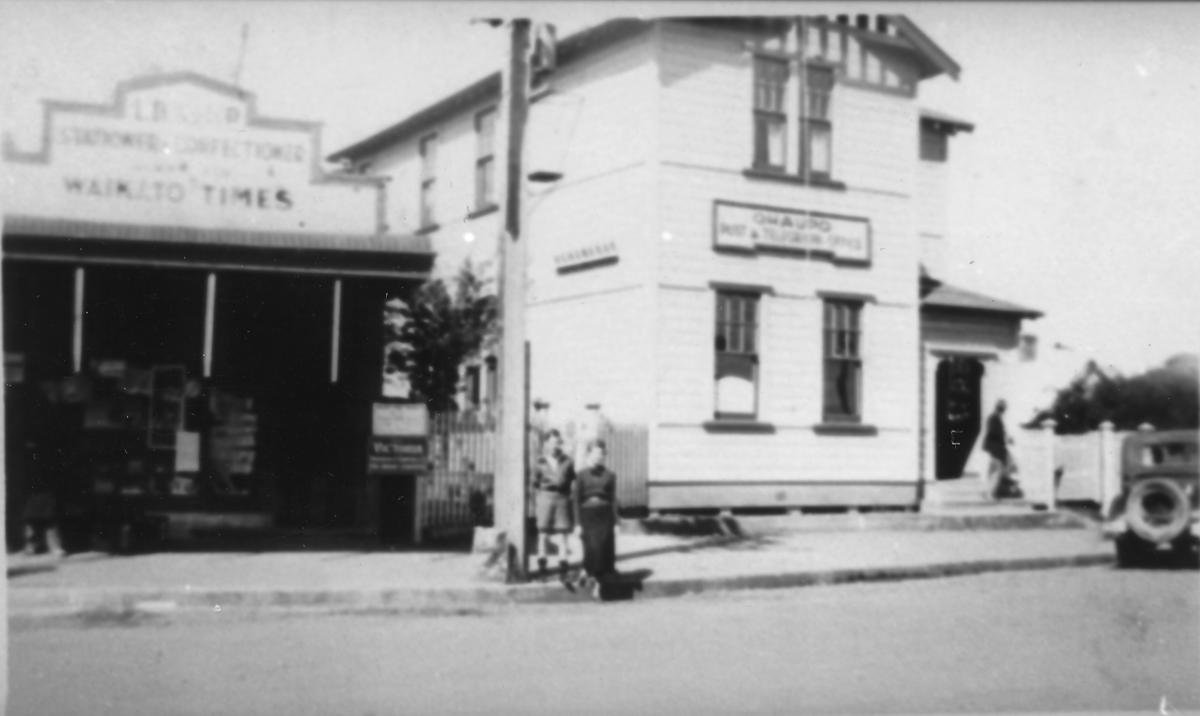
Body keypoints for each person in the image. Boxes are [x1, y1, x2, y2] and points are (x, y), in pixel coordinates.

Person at [572, 438, 618, 598]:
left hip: (604, 516)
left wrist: (616, 523)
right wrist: (577, 523)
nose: (598, 457)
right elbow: (576, 501)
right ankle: (591, 576)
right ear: (589, 454)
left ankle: (595, 580)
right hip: (587, 516)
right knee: (592, 547)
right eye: (595, 453)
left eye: (601, 454)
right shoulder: (581, 476)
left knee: (602, 549)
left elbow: (613, 500)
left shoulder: (610, 475)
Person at [531, 429, 575, 581]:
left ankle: (563, 564)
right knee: (543, 532)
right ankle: (542, 563)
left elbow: (571, 480)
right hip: (545, 497)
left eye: (557, 442)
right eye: (551, 442)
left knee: (563, 532)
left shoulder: (567, 461)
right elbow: (535, 483)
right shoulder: (539, 462)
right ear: (546, 443)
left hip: (562, 498)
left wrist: (568, 496)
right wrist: (539, 499)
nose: (555, 445)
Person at [982, 399, 1021, 500]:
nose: (1004, 411)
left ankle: (988, 492)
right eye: (1004, 409)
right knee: (998, 471)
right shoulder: (994, 418)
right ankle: (990, 494)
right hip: (995, 448)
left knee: (994, 471)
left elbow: (997, 432)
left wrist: (1006, 437)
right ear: (1002, 409)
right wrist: (1005, 437)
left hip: (995, 447)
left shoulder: (995, 417)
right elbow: (994, 432)